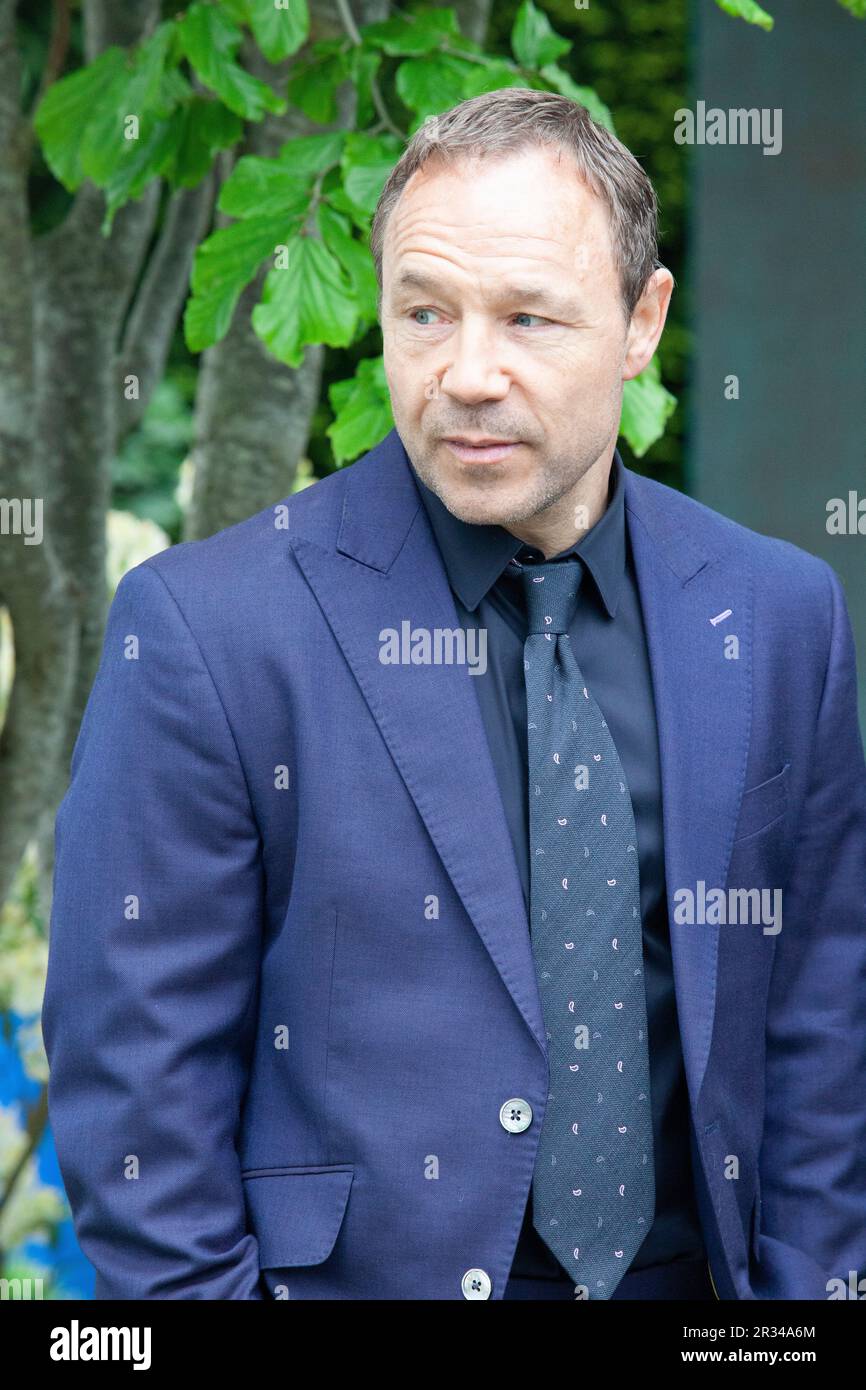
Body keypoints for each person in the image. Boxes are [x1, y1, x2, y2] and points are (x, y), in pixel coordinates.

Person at [42, 88, 866, 1301]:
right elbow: (135, 1090)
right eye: (424, 312)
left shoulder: (780, 613)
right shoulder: (208, 627)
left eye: (528, 317)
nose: (465, 373)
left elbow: (817, 1025)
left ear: (641, 322)